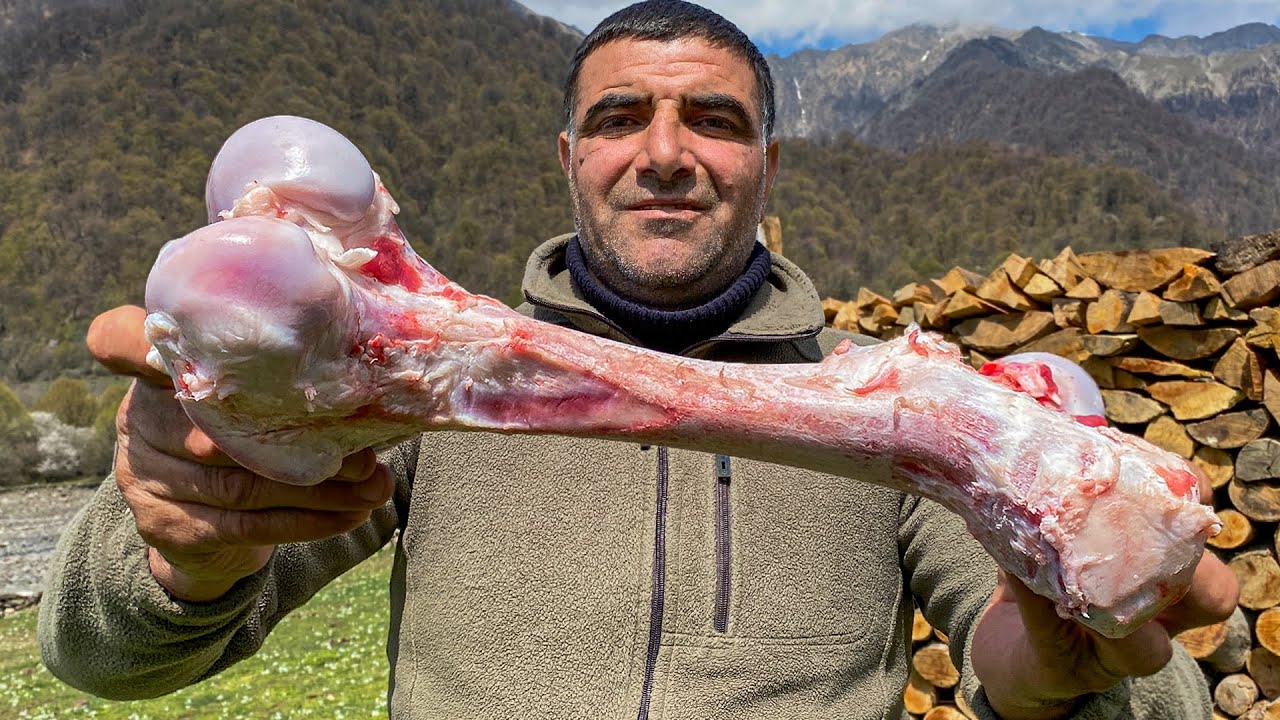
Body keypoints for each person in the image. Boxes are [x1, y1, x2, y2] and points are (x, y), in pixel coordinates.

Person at [39, 2, 1236, 718]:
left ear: (769, 160)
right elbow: (100, 661)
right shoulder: (407, 404)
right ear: (569, 156)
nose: (663, 153)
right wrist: (179, 550)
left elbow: (1135, 688)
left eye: (711, 120)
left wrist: (1070, 687)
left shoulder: (894, 410)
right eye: (620, 119)